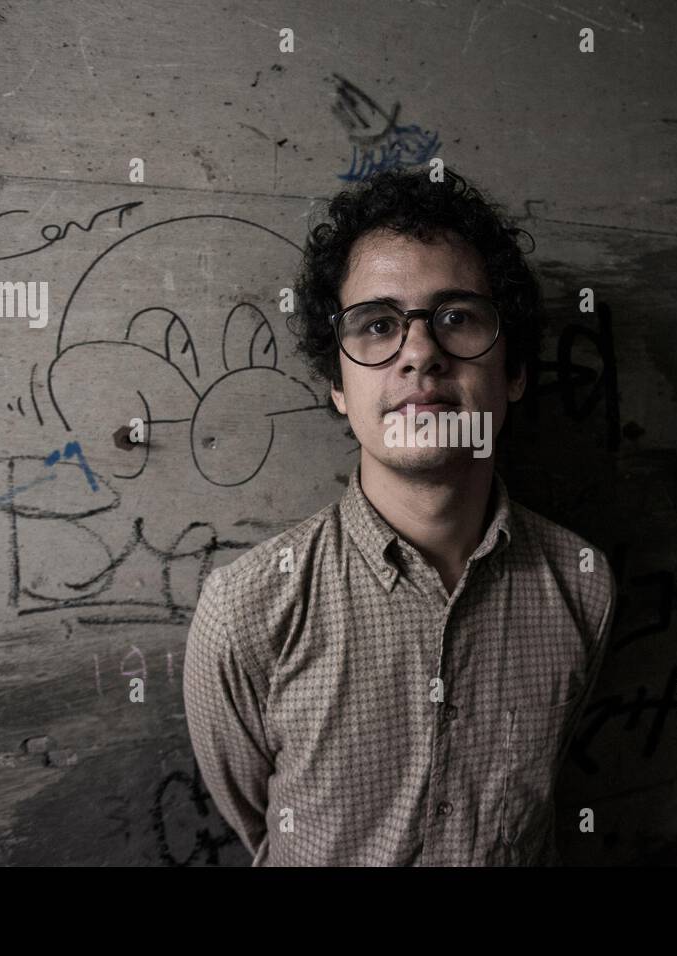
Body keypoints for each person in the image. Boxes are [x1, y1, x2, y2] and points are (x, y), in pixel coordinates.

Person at [183, 166, 616, 866]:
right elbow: (258, 824)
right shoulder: (245, 612)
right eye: (378, 325)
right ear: (337, 385)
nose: (420, 352)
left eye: (457, 317)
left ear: (513, 372)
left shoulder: (583, 585)